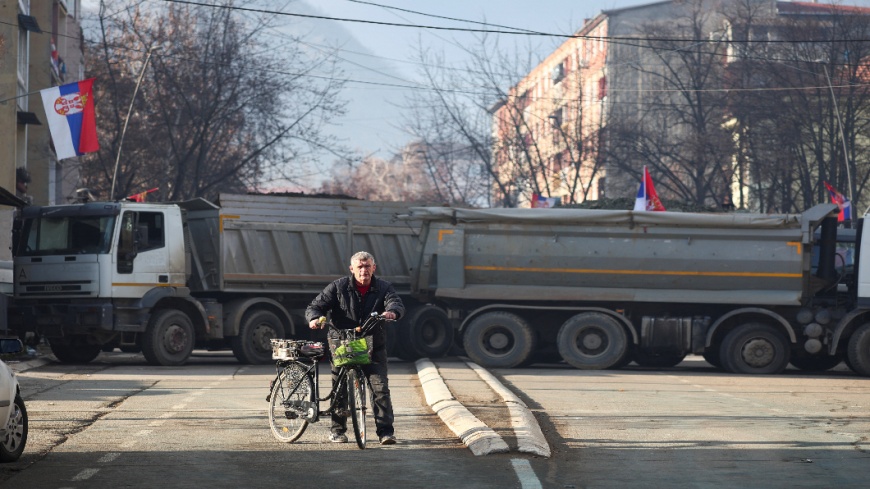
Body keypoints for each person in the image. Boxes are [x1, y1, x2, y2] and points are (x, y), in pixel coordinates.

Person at [305, 251, 404, 445]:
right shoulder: (338, 286)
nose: (364, 270)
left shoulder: (384, 287)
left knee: (380, 389)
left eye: (367, 266)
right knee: (340, 389)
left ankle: (385, 432)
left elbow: (395, 303)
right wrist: (314, 319)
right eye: (360, 267)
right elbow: (315, 306)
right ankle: (338, 430)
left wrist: (392, 312)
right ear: (352, 269)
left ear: (374, 268)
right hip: (343, 344)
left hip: (373, 345)